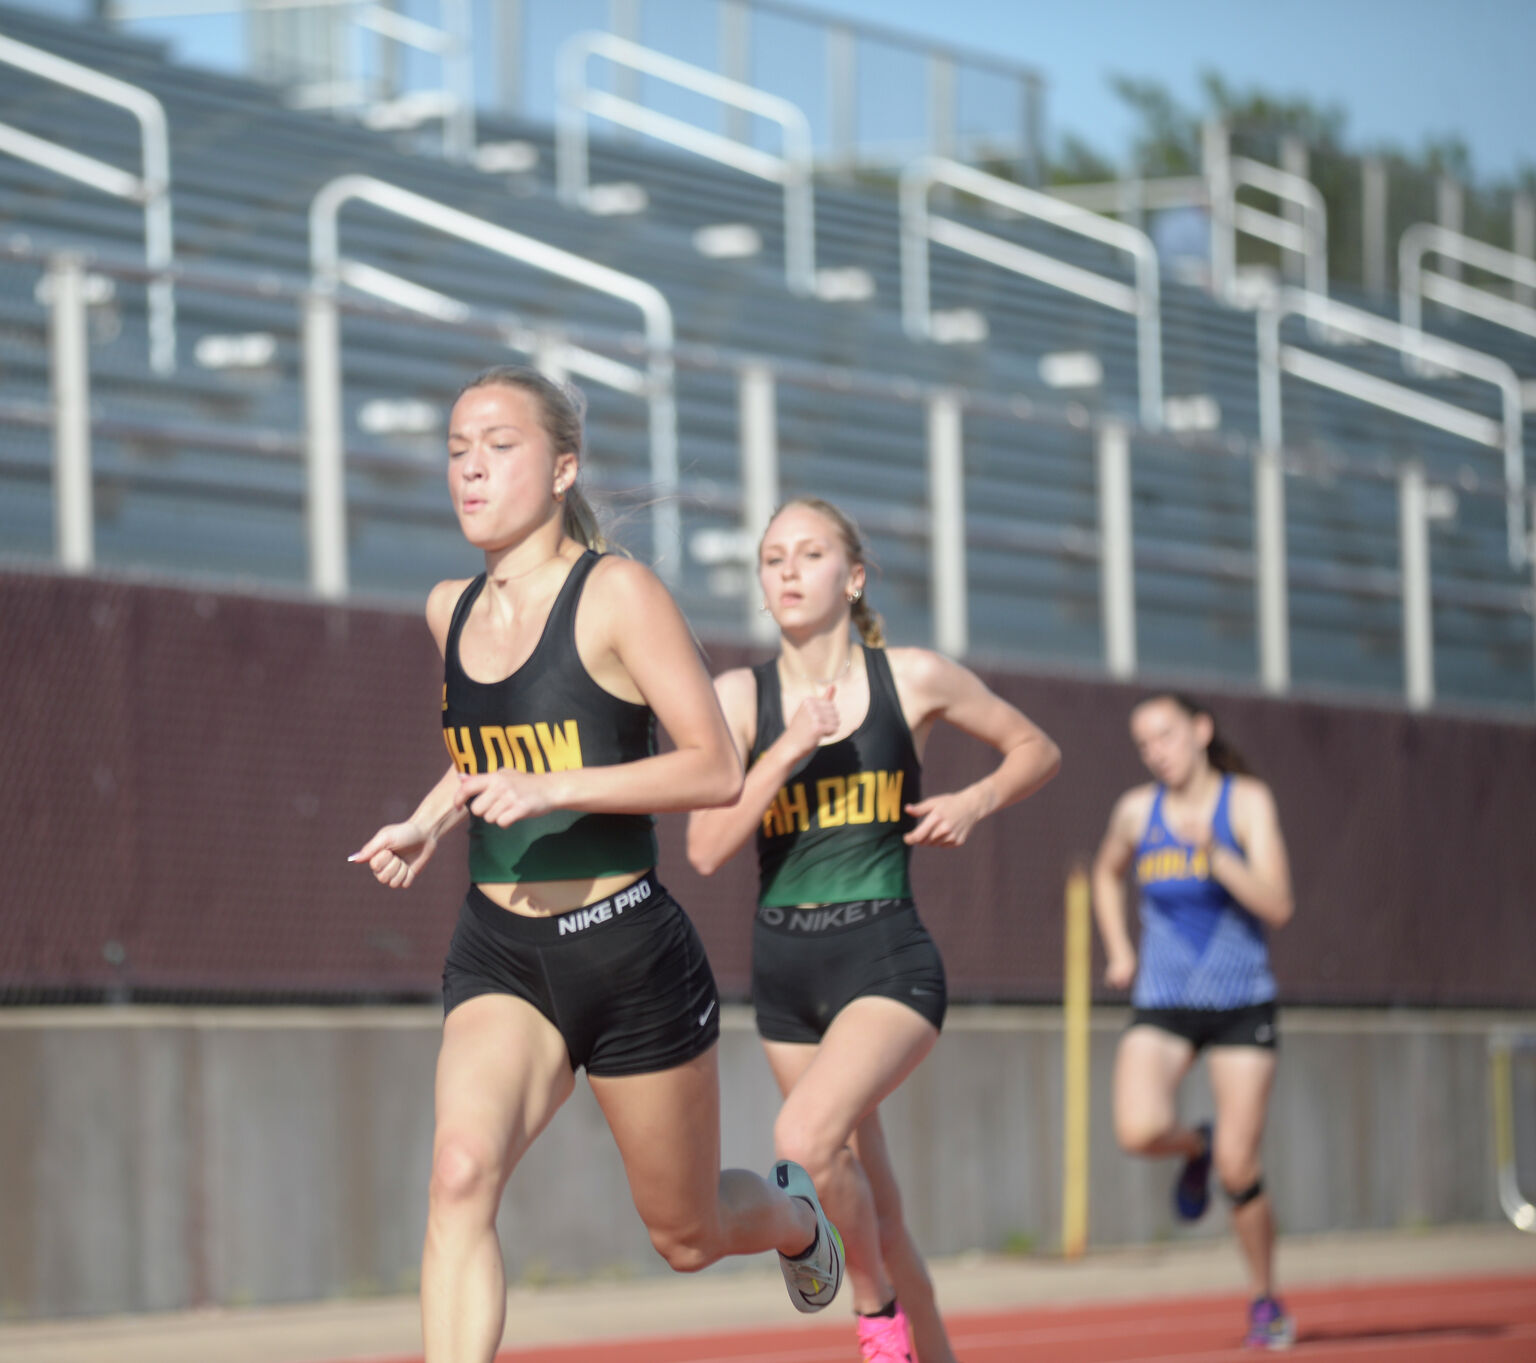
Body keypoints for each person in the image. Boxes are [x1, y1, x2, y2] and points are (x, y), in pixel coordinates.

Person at [349, 366, 844, 1363]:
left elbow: (713, 765)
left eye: (498, 446)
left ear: (561, 464)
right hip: (499, 953)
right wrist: (429, 816)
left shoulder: (615, 593)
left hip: (626, 958)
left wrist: (559, 787)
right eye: (455, 450)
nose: (470, 469)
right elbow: (490, 748)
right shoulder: (447, 608)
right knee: (456, 1172)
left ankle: (794, 1219)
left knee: (686, 1233)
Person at [686, 498, 1061, 1363]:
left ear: (852, 577)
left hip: (885, 956)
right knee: (878, 1213)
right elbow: (705, 845)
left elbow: (1035, 747)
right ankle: (914, 1324)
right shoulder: (740, 698)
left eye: (809, 553)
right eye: (772, 557)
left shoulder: (914, 677)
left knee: (801, 1140)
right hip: (784, 972)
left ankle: (873, 1309)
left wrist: (975, 798)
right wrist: (785, 750)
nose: (786, 569)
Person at [1091, 692, 1297, 1350]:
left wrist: (1219, 855)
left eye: (1167, 735)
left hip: (1241, 1001)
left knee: (1241, 1168)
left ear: (1201, 730)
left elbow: (1279, 904)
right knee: (1138, 1126)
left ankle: (1265, 1298)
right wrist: (1120, 949)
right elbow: (1105, 871)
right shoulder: (1135, 810)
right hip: (1165, 998)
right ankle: (1193, 1146)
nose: (1157, 751)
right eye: (1145, 742)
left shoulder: (1246, 802)